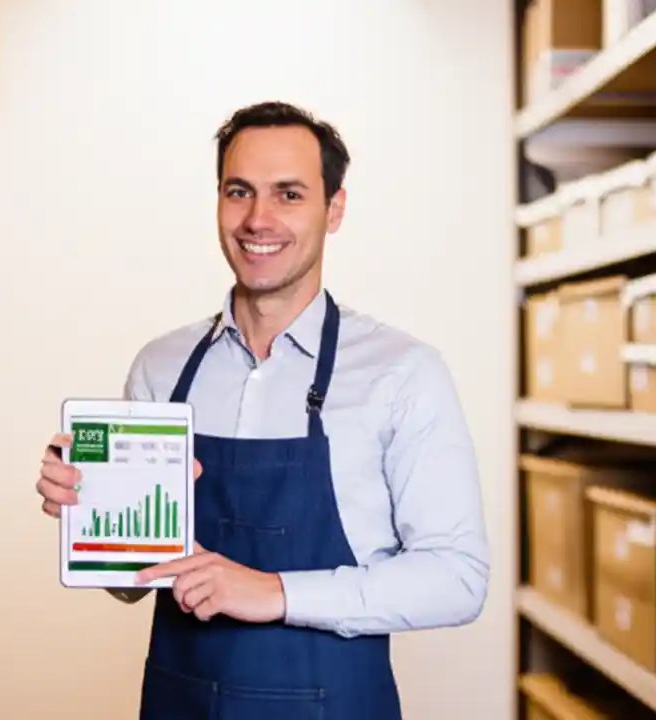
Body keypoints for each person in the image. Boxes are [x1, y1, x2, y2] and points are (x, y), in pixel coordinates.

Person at [36, 101, 489, 720]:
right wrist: (89, 515)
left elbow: (458, 578)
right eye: (239, 191)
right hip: (180, 702)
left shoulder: (402, 373)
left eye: (289, 194)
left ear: (335, 210)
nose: (258, 219)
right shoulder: (162, 368)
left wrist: (274, 592)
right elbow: (130, 581)